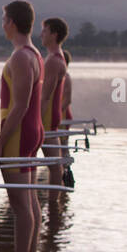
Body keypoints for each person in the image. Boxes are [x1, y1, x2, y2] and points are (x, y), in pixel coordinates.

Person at [0, 1, 43, 252]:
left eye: (3, 19)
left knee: (20, 204)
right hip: (31, 132)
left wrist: (0, 141)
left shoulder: (21, 56)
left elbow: (19, 105)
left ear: (11, 22)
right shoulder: (34, 53)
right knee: (29, 200)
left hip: (20, 135)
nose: (2, 24)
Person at [39, 17, 69, 191]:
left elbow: (45, 96)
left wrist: (37, 122)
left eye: (45, 31)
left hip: (48, 118)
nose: (41, 34)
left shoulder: (53, 60)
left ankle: (53, 205)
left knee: (54, 166)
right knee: (55, 164)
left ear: (54, 34)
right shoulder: (57, 57)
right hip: (52, 117)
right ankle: (55, 208)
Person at [60, 49, 75, 189]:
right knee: (60, 145)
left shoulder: (67, 77)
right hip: (59, 114)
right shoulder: (60, 76)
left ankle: (66, 173)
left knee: (63, 145)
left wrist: (57, 113)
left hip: (63, 115)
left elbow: (67, 100)